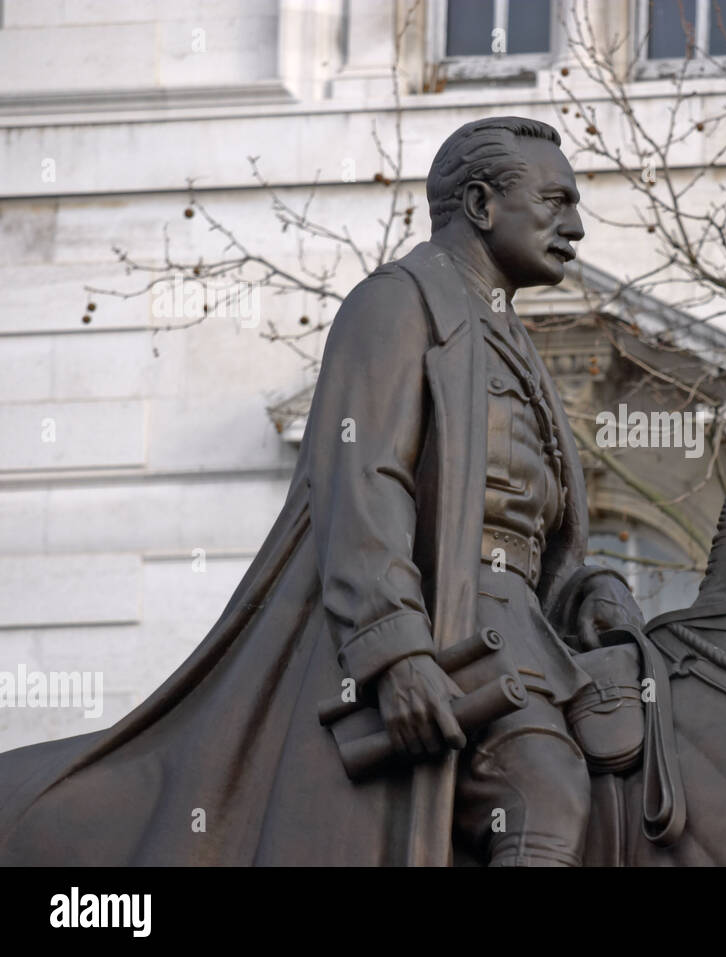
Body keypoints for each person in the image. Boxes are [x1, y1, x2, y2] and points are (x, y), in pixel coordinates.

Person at [0, 116, 643, 866]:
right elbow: (363, 481)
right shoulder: (399, 305)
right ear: (480, 203)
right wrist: (395, 652)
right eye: (556, 200)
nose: (576, 226)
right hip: (454, 625)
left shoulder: (516, 346)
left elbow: (538, 530)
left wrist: (592, 588)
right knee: (545, 797)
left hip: (521, 629)